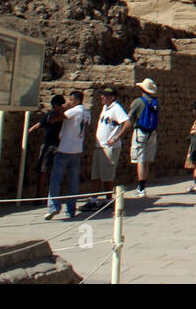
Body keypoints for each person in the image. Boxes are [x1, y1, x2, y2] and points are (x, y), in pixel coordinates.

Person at [45, 90, 89, 220]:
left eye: (70, 100)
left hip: (65, 149)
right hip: (77, 149)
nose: (69, 102)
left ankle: (54, 207)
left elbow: (55, 119)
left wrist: (60, 108)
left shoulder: (74, 111)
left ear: (76, 101)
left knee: (55, 179)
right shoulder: (87, 113)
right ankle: (71, 210)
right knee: (73, 182)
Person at [86, 87, 128, 210]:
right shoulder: (105, 109)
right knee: (96, 174)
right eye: (102, 95)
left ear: (112, 97)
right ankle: (93, 200)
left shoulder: (116, 108)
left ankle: (109, 199)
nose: (102, 97)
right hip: (100, 146)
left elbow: (126, 123)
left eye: (105, 95)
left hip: (109, 147)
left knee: (107, 175)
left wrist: (115, 138)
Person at [123, 78, 159, 198]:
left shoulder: (139, 101)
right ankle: (143, 185)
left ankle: (141, 188)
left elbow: (129, 117)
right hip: (152, 133)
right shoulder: (154, 102)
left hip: (141, 133)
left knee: (140, 159)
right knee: (146, 160)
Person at [28, 94, 65, 204]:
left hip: (60, 146)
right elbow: (38, 125)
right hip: (48, 145)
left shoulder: (67, 116)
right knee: (43, 169)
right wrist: (27, 133)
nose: (54, 108)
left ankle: (54, 195)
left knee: (56, 171)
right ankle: (39, 195)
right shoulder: (50, 115)